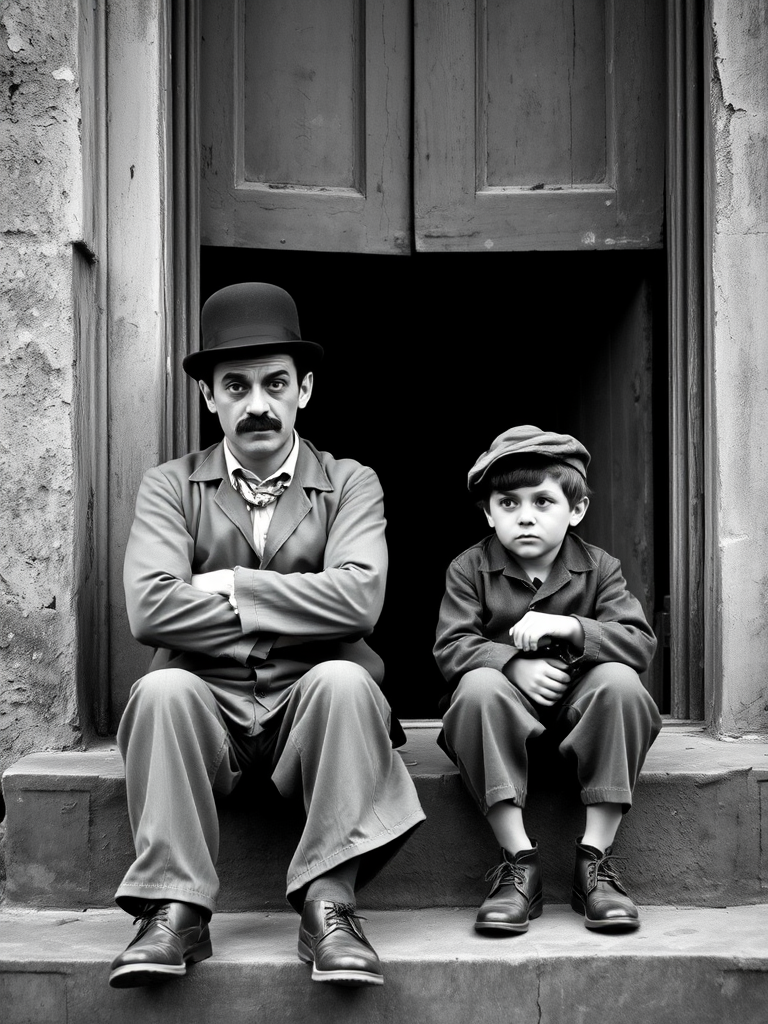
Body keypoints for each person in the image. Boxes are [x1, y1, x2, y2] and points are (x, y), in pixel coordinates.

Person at [108, 282, 425, 990]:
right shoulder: (170, 487)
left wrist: (232, 587)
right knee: (161, 689)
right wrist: (295, 614)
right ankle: (174, 910)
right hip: (207, 711)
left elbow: (360, 602)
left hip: (310, 710)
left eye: (275, 384)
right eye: (237, 385)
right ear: (209, 397)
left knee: (344, 678)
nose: (257, 403)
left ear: (304, 390)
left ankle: (330, 907)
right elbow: (150, 611)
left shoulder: (350, 483)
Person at [433, 425, 661, 934]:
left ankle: (594, 863)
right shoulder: (469, 569)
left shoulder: (600, 568)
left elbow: (639, 642)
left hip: (582, 719)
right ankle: (520, 863)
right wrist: (511, 663)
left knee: (621, 684)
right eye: (508, 503)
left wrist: (571, 627)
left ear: (575, 509)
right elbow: (450, 647)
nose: (526, 515)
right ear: (488, 513)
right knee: (475, 688)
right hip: (499, 727)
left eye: (543, 501)